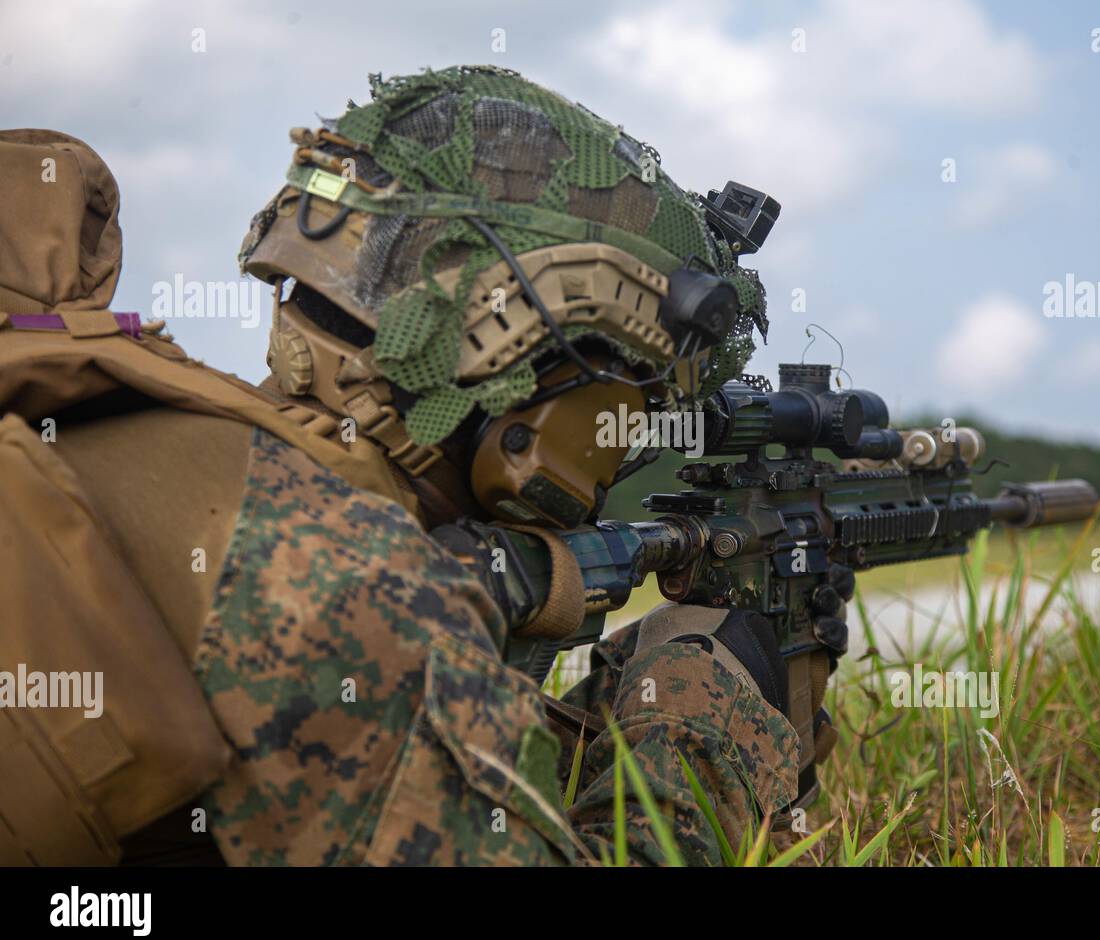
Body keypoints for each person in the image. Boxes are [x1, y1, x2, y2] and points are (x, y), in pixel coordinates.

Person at [0, 66, 848, 866]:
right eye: (634, 398)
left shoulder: (131, 413)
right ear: (526, 382)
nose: (630, 436)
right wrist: (702, 715)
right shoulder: (351, 589)